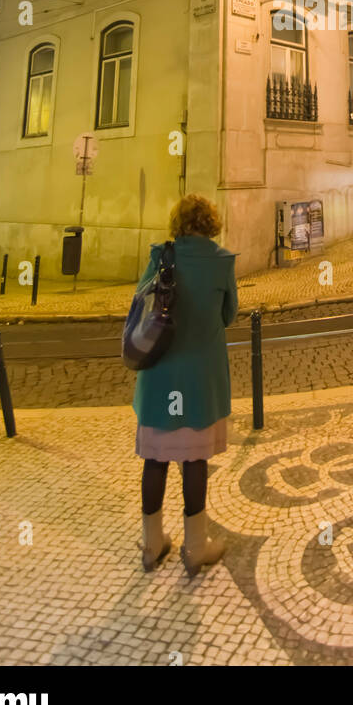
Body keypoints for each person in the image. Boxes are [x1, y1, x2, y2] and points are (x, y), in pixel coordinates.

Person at [133, 194, 238, 576]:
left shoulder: (162, 255)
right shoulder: (221, 261)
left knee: (155, 459)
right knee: (195, 459)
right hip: (199, 379)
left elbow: (140, 303)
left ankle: (151, 544)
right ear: (210, 223)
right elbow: (229, 315)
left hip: (160, 374)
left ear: (178, 223)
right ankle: (195, 547)